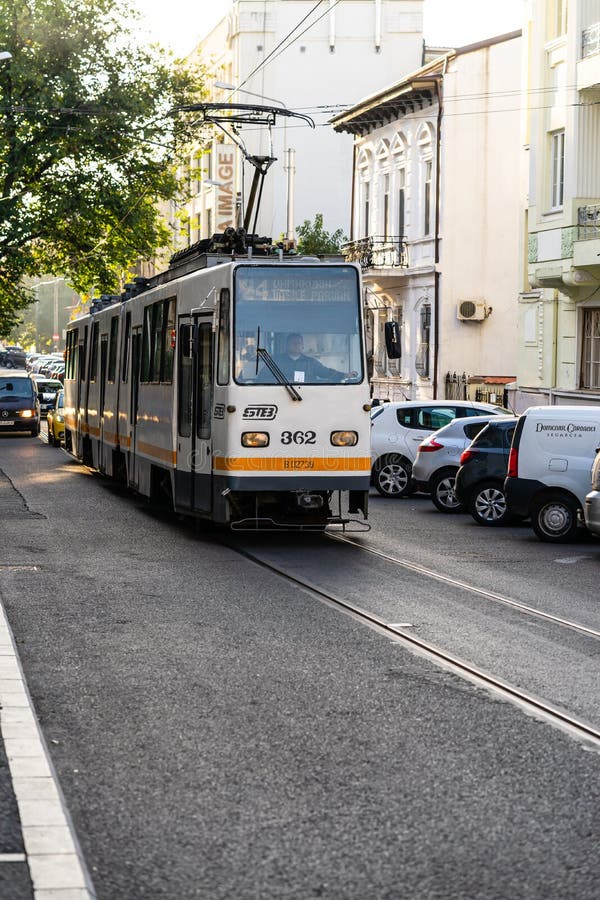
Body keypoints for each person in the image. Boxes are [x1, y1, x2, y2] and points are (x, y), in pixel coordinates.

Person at [267, 333, 357, 384]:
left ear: (302, 346)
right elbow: (263, 377)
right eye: (293, 343)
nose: (296, 345)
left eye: (299, 343)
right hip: (281, 394)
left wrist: (345, 375)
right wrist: (282, 382)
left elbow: (327, 373)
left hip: (309, 395)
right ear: (287, 345)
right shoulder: (276, 361)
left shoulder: (311, 363)